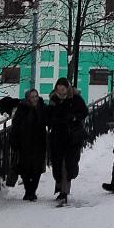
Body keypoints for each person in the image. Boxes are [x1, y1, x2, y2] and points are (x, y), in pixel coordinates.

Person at [46, 76, 87, 205]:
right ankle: (60, 188)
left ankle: (64, 191)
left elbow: (84, 112)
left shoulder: (76, 99)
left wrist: (74, 118)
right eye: (58, 90)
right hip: (57, 137)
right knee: (57, 164)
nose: (60, 92)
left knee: (67, 165)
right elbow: (49, 116)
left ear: (67, 88)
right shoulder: (53, 100)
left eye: (63, 89)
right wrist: (54, 120)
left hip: (71, 137)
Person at [3, 87, 48, 201]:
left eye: (36, 96)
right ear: (28, 98)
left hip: (39, 143)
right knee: (26, 169)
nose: (35, 99)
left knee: (37, 169)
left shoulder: (42, 108)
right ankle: (28, 191)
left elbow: (48, 120)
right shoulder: (22, 109)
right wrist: (14, 141)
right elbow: (15, 126)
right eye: (32, 97)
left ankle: (32, 191)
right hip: (25, 144)